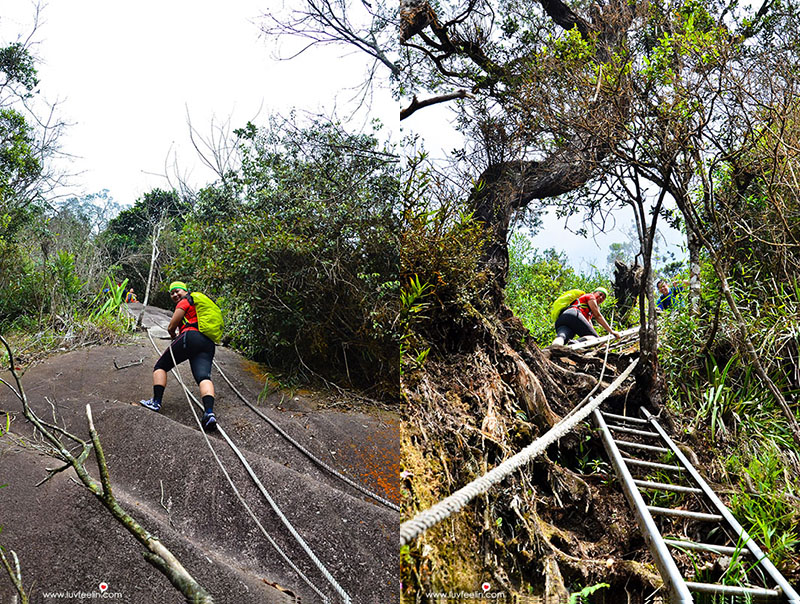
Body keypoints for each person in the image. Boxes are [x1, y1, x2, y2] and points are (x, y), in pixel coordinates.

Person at [140, 281, 217, 432]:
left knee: (160, 367)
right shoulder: (198, 304)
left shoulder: (185, 301)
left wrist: (173, 335)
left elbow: (172, 325)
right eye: (172, 293)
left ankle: (155, 402)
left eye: (177, 291)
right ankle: (209, 413)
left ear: (185, 291)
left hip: (190, 336)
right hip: (207, 342)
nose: (175, 295)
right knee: (203, 377)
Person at [551, 287, 620, 346]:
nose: (601, 297)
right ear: (593, 293)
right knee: (593, 338)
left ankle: (553, 348)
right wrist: (611, 331)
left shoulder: (588, 312)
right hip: (574, 314)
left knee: (562, 337)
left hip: (563, 318)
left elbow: (590, 327)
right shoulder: (590, 296)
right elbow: (598, 316)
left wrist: (601, 343)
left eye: (603, 298)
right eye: (600, 294)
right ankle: (575, 343)